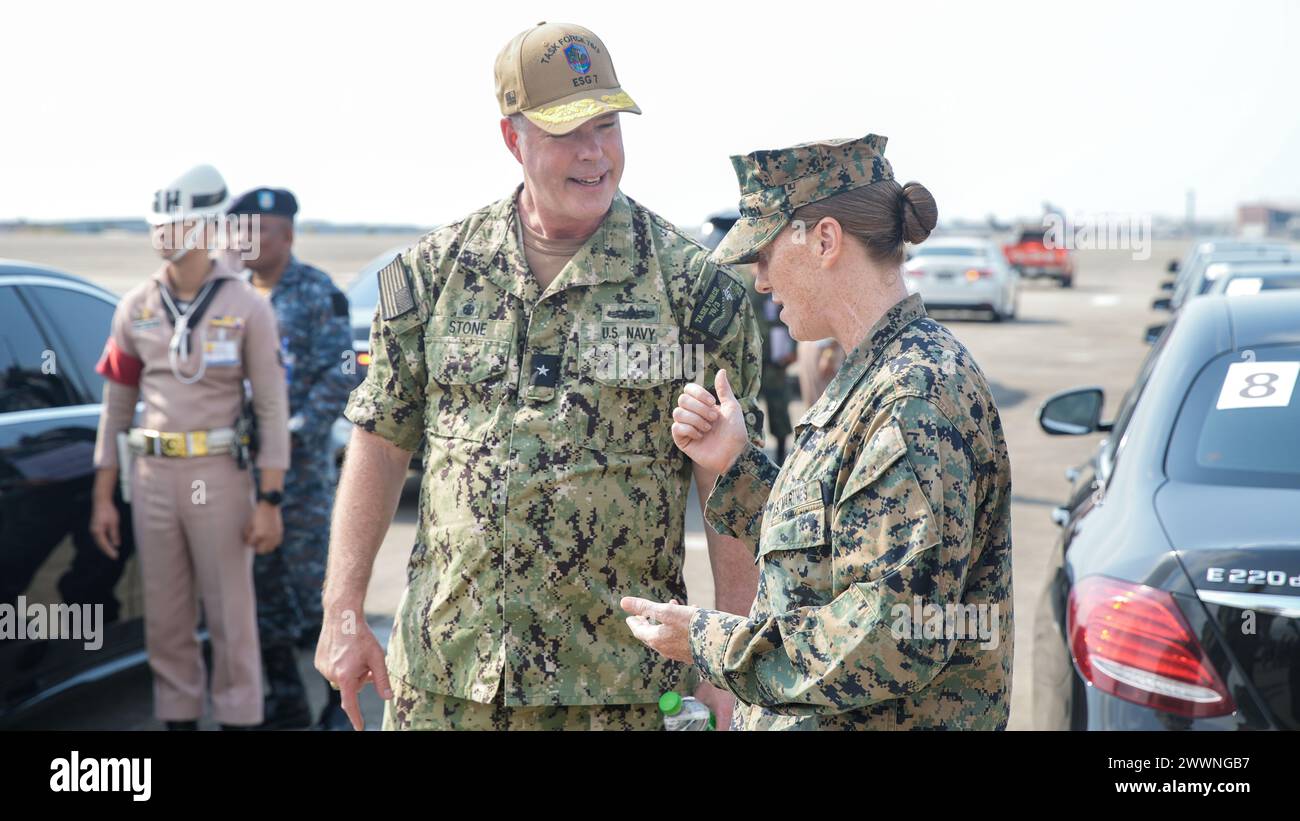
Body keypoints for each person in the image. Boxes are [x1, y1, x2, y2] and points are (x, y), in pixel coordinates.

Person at [315, 21, 765, 731]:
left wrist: (728, 653)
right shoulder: (432, 278)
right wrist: (343, 611)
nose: (593, 152)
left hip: (622, 690)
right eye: (565, 132)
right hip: (447, 681)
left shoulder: (692, 291)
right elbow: (379, 443)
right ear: (512, 139)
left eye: (607, 126)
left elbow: (730, 480)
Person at [623, 135, 1014, 730]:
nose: (759, 280)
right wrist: (738, 468)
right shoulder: (876, 374)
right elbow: (837, 552)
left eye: (765, 253)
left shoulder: (913, 399)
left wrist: (707, 640)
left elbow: (888, 638)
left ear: (826, 240)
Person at [89, 164, 290, 729]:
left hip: (218, 476)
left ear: (204, 228)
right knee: (167, 618)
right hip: (152, 478)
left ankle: (238, 718)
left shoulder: (246, 305)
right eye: (158, 226)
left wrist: (269, 500)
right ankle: (177, 718)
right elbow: (116, 406)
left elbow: (273, 409)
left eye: (173, 225)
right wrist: (104, 495)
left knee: (231, 616)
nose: (162, 237)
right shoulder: (135, 306)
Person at [225, 187, 355, 731]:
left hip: (298, 479)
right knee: (260, 597)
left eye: (261, 231)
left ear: (288, 235)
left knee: (314, 596)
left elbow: (343, 371)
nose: (249, 243)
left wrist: (290, 432)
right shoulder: (226, 294)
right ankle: (283, 704)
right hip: (234, 476)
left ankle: (336, 705)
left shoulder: (316, 292)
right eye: (242, 231)